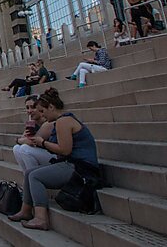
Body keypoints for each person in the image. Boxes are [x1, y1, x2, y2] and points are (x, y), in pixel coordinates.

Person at [9, 88, 100, 231]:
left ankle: (41, 218)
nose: (43, 116)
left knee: (35, 176)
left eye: (43, 111)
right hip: (72, 164)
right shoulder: (61, 121)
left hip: (81, 168)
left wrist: (42, 143)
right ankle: (26, 211)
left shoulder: (64, 121)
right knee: (29, 173)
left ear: (51, 107)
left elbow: (65, 150)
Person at [11, 95, 54, 194]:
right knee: (17, 148)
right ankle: (29, 182)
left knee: (24, 148)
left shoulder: (47, 123)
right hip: (41, 154)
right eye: (27, 108)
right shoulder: (32, 123)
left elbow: (30, 142)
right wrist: (21, 139)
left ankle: (34, 185)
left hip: (55, 156)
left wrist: (20, 140)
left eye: (33, 107)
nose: (29, 111)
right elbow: (23, 139)